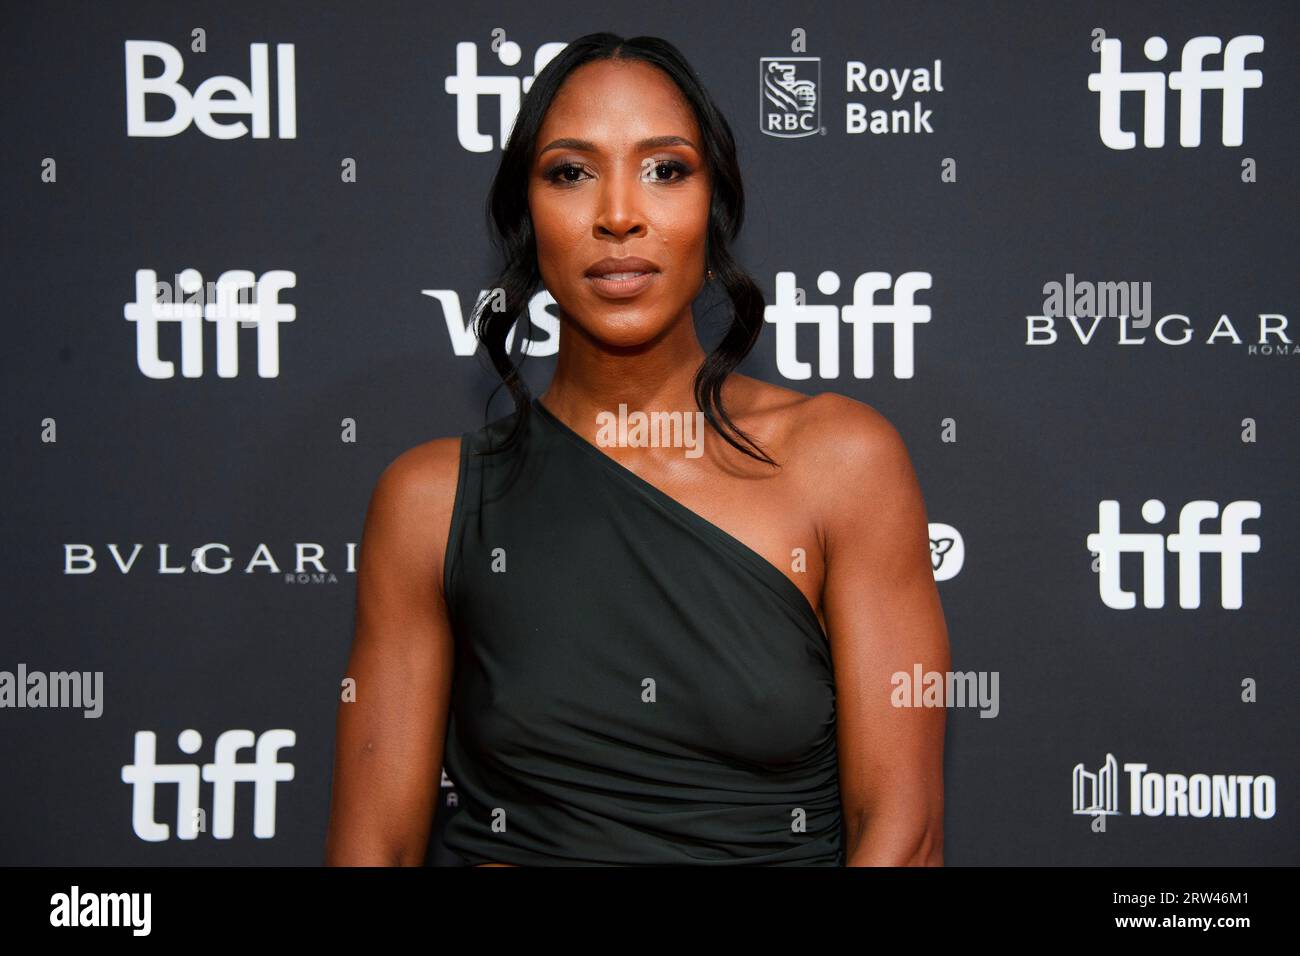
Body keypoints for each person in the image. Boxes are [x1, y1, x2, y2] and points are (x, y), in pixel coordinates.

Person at [325, 32, 949, 866]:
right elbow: (374, 848)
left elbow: (902, 835)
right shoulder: (430, 501)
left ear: (714, 208)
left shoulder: (841, 461)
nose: (620, 215)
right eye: (571, 172)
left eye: (665, 169)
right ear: (526, 217)